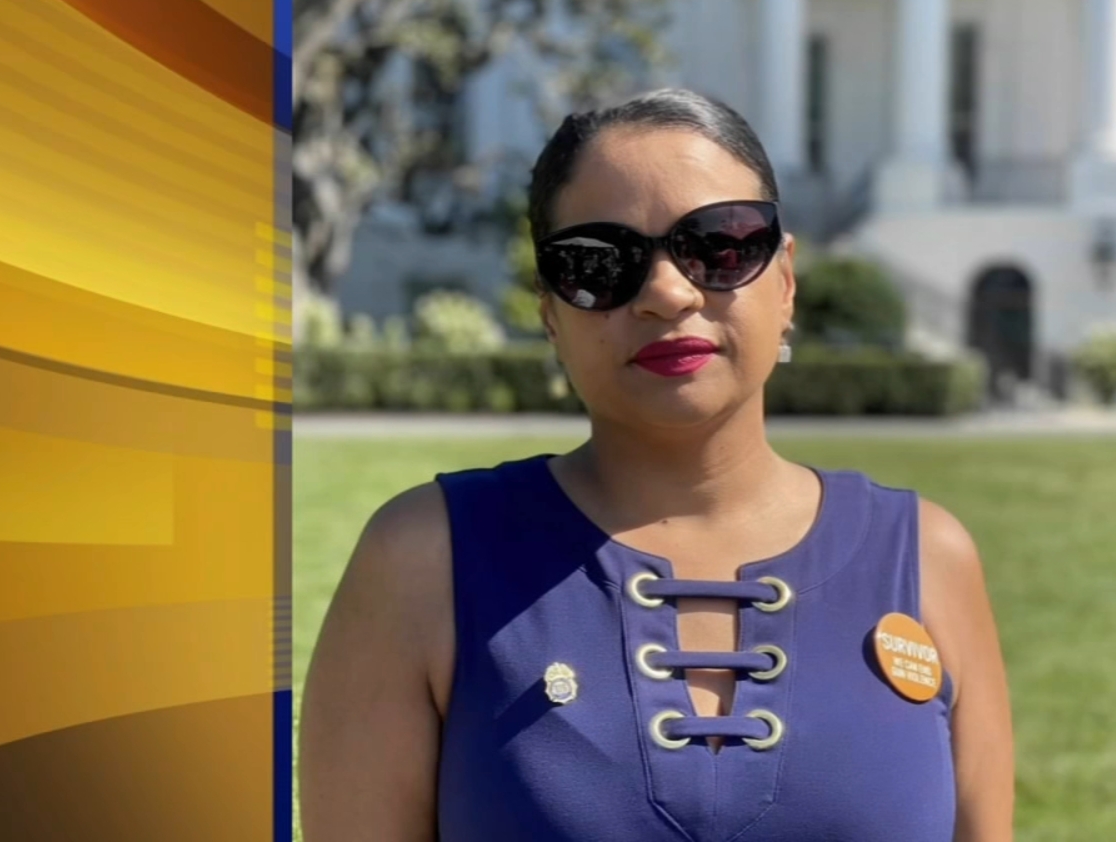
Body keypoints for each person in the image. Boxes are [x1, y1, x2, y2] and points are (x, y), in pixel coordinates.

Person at [299, 88, 1014, 841]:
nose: (668, 293)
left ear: (786, 279)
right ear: (549, 309)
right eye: (599, 263)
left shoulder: (928, 560)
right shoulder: (424, 560)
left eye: (720, 244)